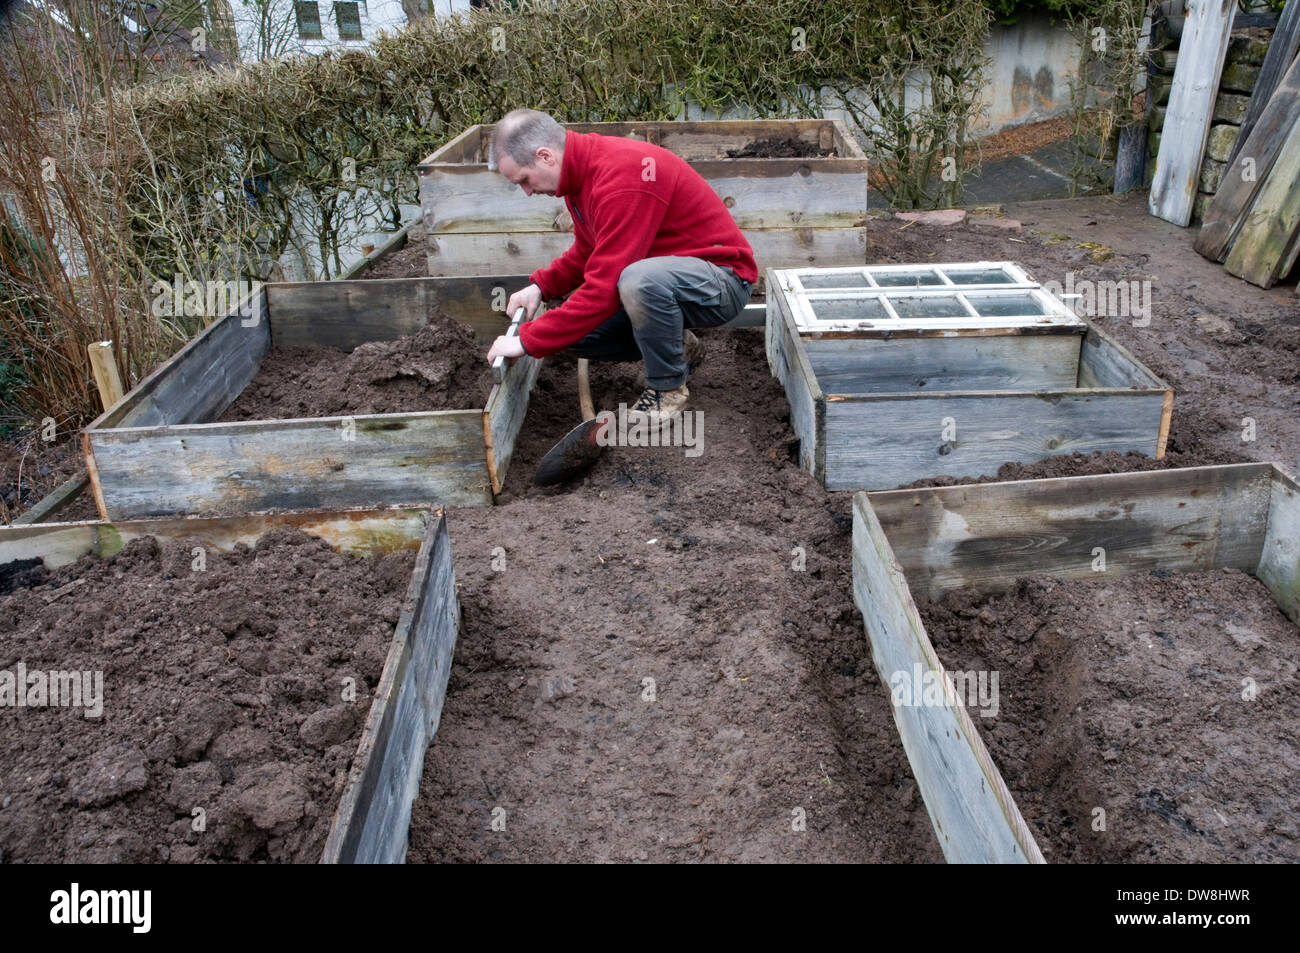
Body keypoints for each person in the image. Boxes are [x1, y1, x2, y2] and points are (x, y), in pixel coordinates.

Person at [484, 109, 757, 426]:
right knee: (573, 334)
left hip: (722, 281)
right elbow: (589, 251)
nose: (528, 192)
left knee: (636, 281)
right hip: (675, 283)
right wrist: (541, 287)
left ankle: (667, 389)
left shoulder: (623, 177)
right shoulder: (581, 178)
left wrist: (525, 341)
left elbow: (604, 289)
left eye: (524, 180)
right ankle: (679, 348)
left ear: (545, 156)